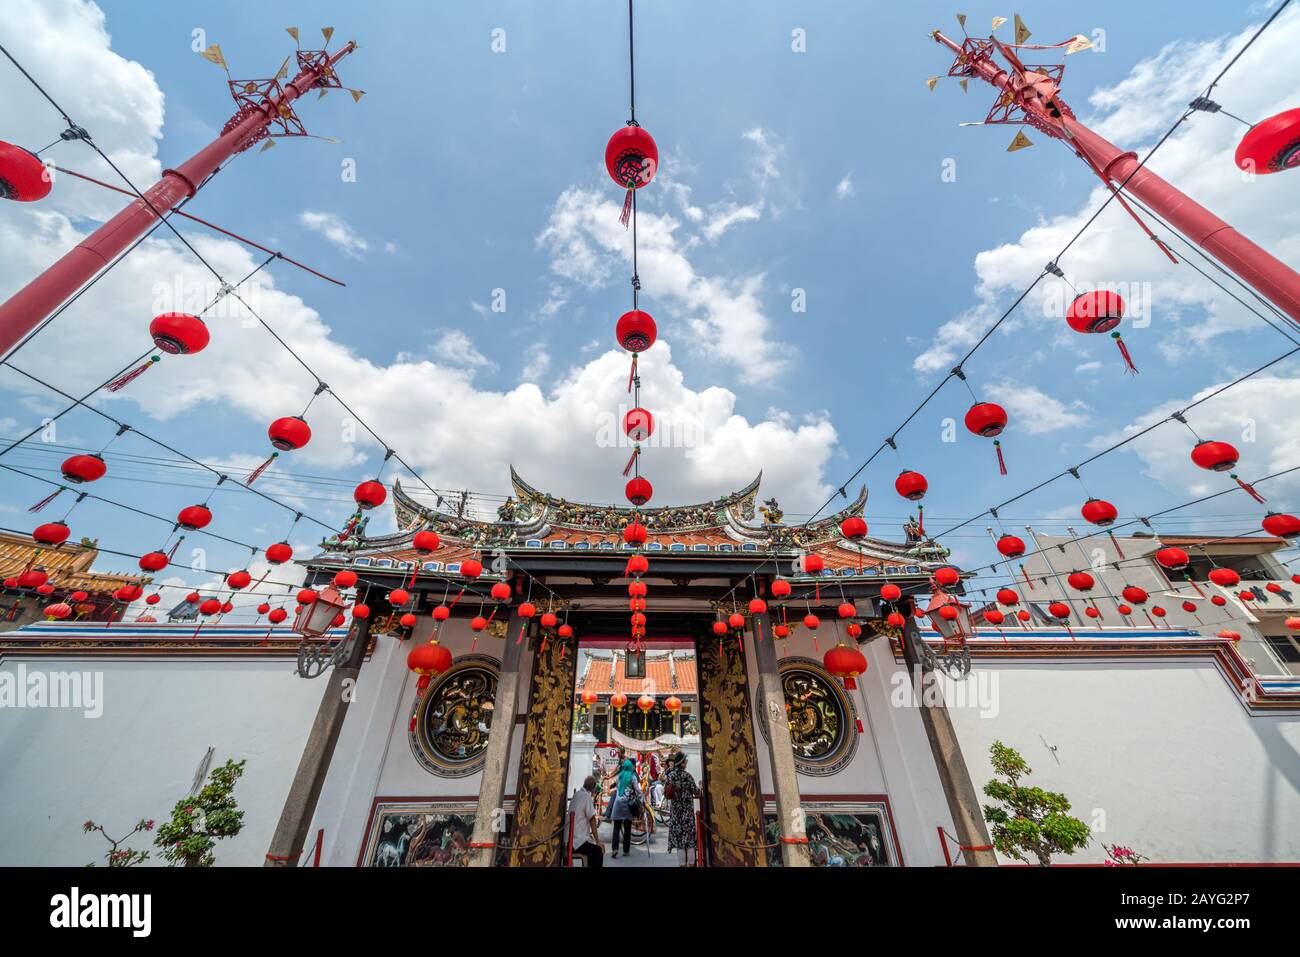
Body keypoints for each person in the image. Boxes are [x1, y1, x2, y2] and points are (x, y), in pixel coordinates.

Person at [664, 750, 701, 866]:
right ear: (683, 763)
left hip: (676, 815)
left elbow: (666, 794)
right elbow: (696, 792)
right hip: (687, 815)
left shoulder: (670, 776)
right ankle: (691, 864)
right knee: (689, 842)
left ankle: (682, 865)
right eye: (686, 761)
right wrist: (700, 787)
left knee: (680, 843)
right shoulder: (688, 776)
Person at [609, 758, 643, 858]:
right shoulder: (632, 777)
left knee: (616, 828)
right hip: (627, 804)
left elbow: (615, 784)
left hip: (618, 804)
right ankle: (626, 851)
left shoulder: (620, 776)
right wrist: (641, 801)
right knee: (627, 828)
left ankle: (615, 849)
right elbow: (638, 791)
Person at [568, 776, 603, 867]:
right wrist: (597, 841)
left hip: (570, 840)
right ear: (593, 789)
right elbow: (592, 820)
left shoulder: (578, 794)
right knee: (598, 851)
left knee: (593, 850)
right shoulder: (586, 797)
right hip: (577, 842)